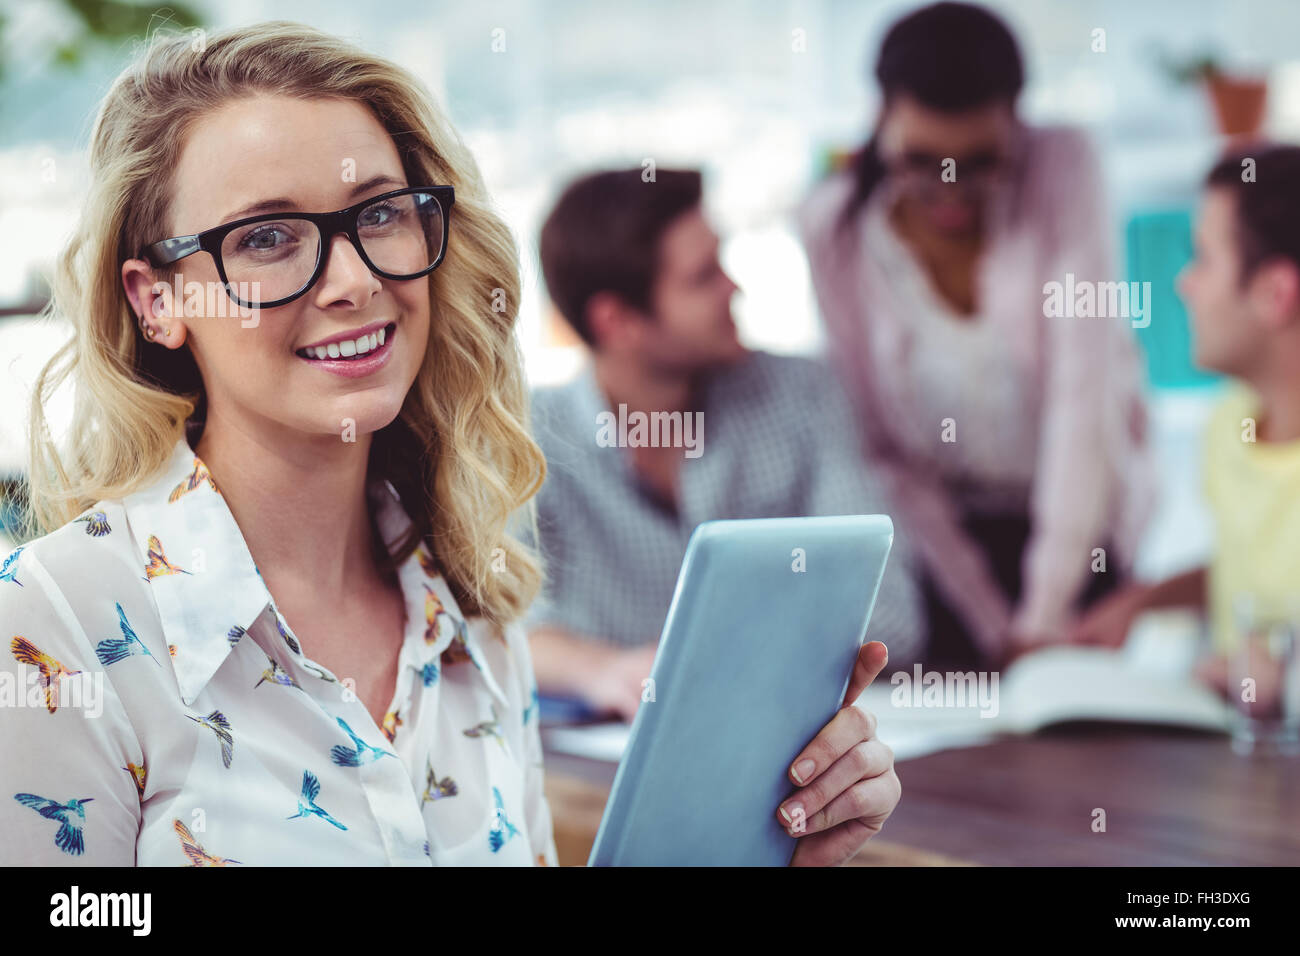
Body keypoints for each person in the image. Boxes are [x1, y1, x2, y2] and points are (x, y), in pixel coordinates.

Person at [0, 23, 900, 867]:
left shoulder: (475, 614)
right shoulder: (52, 628)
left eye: (381, 214)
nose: (353, 280)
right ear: (156, 301)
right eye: (267, 238)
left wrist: (759, 845)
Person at [797, 1, 1154, 672]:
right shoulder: (833, 225)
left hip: (1081, 527)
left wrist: (1044, 615)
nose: (949, 189)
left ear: (1016, 122)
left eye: (979, 160)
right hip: (942, 541)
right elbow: (884, 453)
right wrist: (993, 622)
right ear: (879, 120)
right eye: (921, 159)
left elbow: (1084, 404)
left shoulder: (1064, 166)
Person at [525, 167, 923, 720]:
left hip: (793, 741)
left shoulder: (803, 396)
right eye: (703, 276)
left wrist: (717, 669)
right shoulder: (527, 440)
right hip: (601, 762)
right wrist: (606, 671)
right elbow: (491, 625)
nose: (734, 288)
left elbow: (891, 613)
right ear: (617, 320)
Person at [1071, 144, 1300, 698]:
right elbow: (1253, 576)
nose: (1183, 284)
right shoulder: (1229, 426)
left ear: (1275, 293)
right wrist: (1143, 600)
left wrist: (1282, 683)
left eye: (1202, 257)